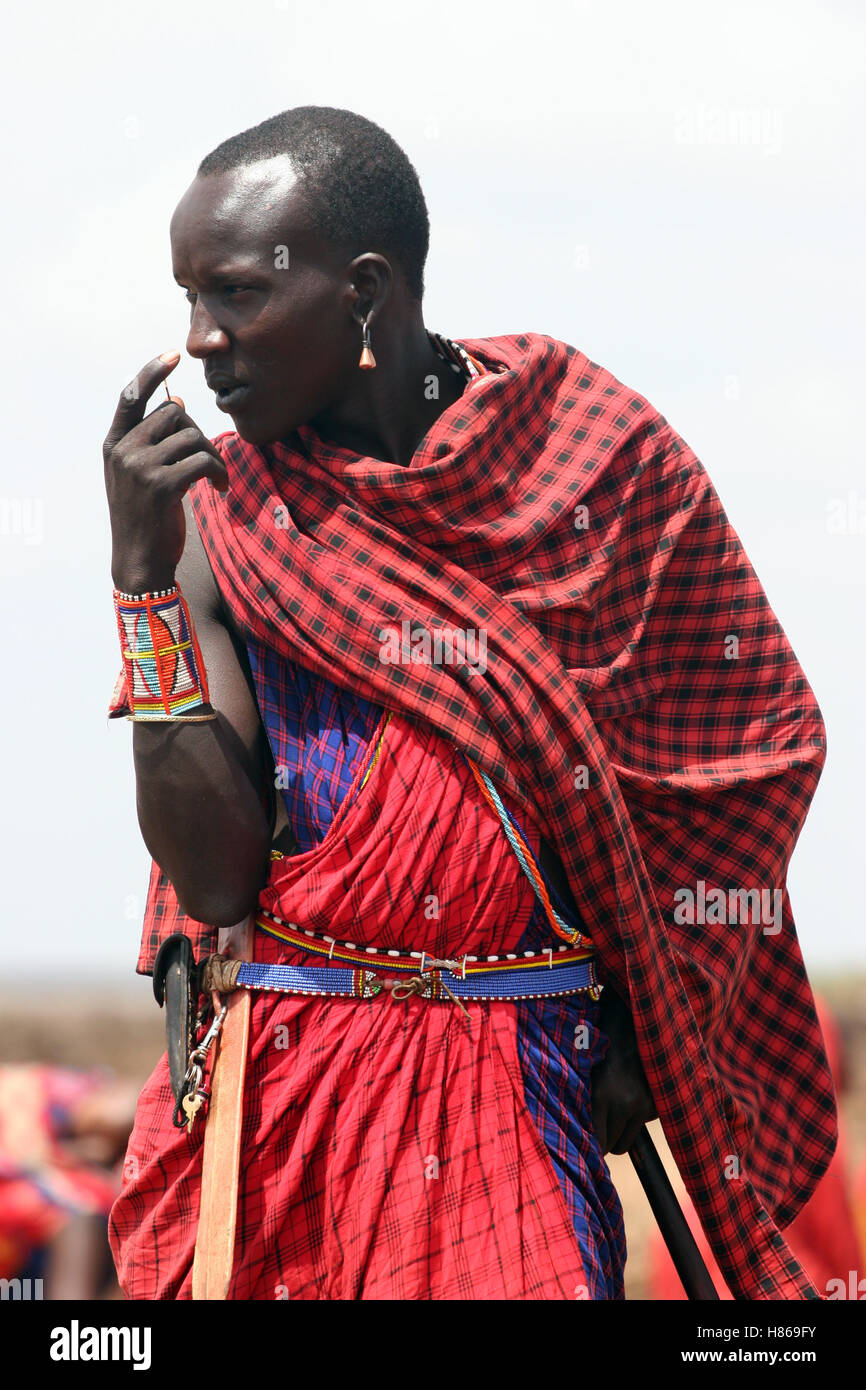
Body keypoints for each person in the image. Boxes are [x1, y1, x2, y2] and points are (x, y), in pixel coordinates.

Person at [103, 106, 835, 1300]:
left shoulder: (592, 458)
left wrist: (659, 1003)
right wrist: (141, 587)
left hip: (526, 1086)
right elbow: (215, 881)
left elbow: (744, 750)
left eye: (233, 297)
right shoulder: (214, 519)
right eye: (188, 301)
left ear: (364, 292)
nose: (201, 344)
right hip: (289, 1100)